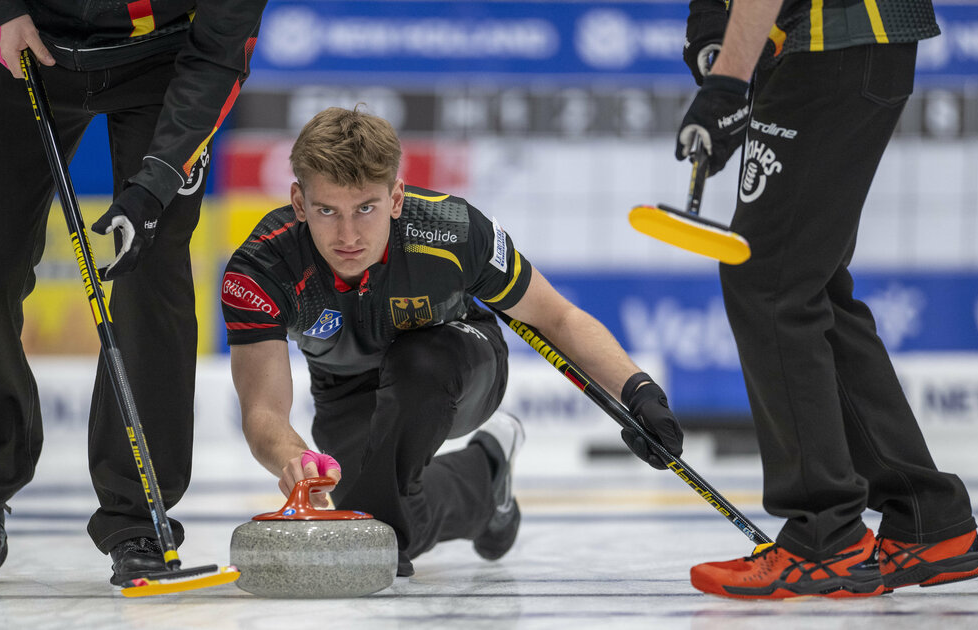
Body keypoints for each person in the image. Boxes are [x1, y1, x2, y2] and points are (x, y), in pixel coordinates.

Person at [220, 106, 685, 577]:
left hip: (459, 367)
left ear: (397, 197)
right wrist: (295, 459)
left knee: (418, 363)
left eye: (366, 208)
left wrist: (639, 392)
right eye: (326, 211)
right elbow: (264, 412)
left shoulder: (453, 231)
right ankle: (486, 477)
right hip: (346, 388)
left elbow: (558, 318)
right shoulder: (261, 270)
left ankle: (403, 515)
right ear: (299, 203)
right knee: (380, 528)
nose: (348, 235)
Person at [0, 0, 267, 586]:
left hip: (163, 58)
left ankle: (138, 515)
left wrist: (158, 182)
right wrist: (5, 9)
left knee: (153, 272)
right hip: (32, 44)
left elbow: (219, 55)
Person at [676, 0, 978, 599]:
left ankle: (827, 537)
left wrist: (728, 82)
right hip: (847, 44)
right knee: (805, 280)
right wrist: (716, 37)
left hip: (831, 42)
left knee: (767, 279)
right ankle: (926, 519)